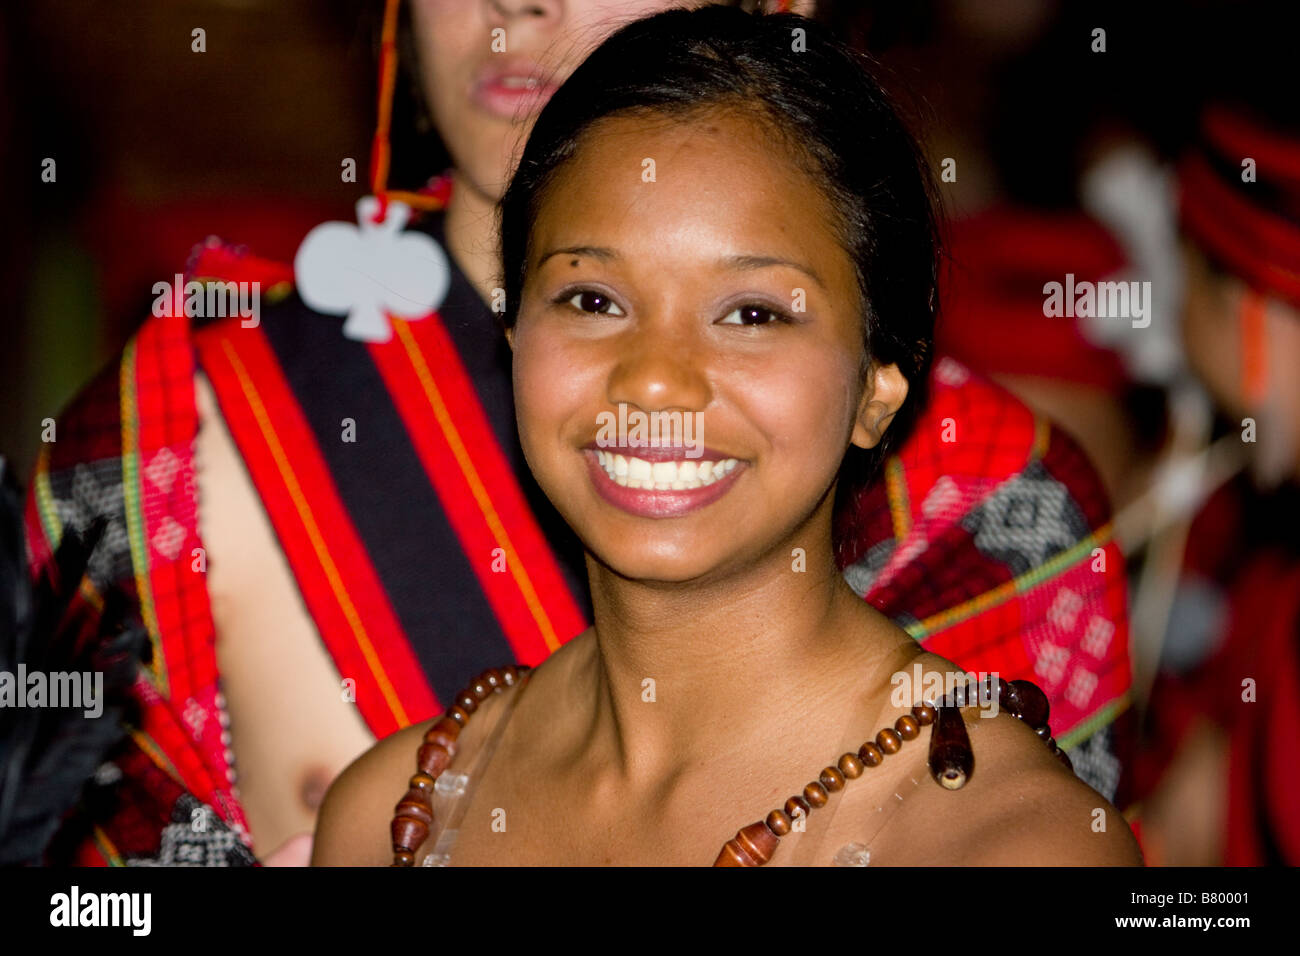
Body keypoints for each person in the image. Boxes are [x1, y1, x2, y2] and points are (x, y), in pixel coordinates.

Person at [12, 0, 1130, 867]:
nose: (525, 4)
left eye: (754, 312)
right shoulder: (167, 436)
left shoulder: (992, 503)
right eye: (588, 299)